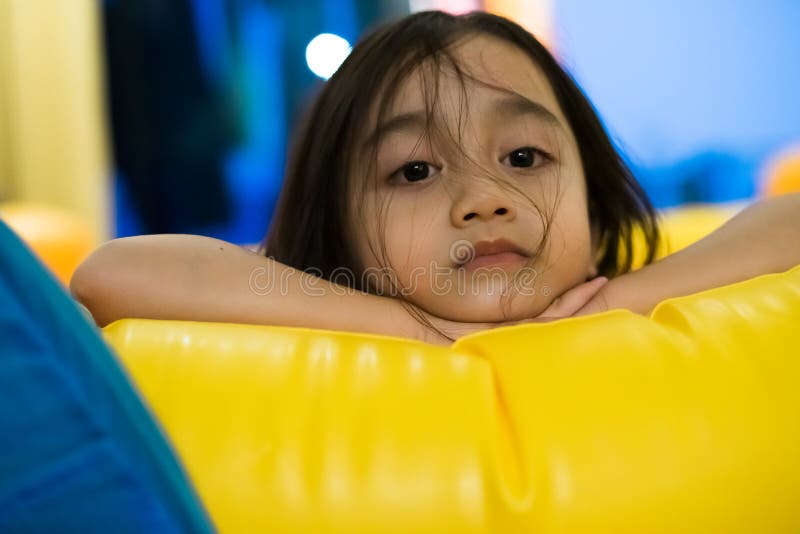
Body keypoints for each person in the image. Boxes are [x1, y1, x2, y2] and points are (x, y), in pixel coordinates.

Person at [71, 11, 800, 346]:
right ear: (341, 233)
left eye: (523, 157)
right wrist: (418, 329)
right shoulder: (320, 300)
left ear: (598, 207)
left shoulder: (616, 292)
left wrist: (616, 304)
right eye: (414, 170)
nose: (484, 200)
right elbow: (112, 273)